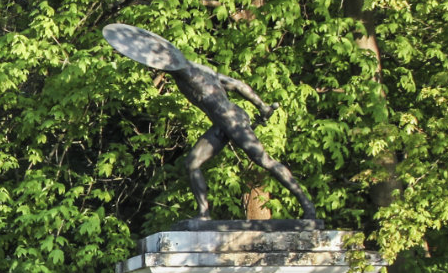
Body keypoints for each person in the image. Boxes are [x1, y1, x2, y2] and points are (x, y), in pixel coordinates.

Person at [102, 23, 319, 221]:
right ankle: (204, 214)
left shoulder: (184, 71)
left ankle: (307, 207)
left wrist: (141, 48)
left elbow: (160, 57)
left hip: (231, 119)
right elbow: (237, 84)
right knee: (192, 164)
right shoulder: (199, 68)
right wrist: (260, 105)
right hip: (222, 123)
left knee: (264, 161)